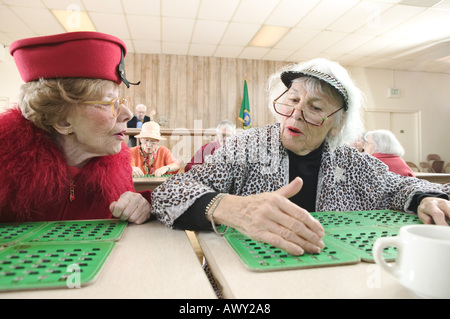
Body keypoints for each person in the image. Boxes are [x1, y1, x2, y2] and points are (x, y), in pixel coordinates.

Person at [152, 58, 450, 256]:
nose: (296, 113)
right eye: (293, 100)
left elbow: (399, 187)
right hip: (248, 274)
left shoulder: (353, 162)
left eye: (316, 108)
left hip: (333, 272)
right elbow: (168, 193)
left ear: (338, 124)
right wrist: (230, 208)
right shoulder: (245, 146)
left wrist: (425, 198)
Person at [0, 31, 151, 224]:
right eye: (107, 103)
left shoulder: (117, 167)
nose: (127, 114)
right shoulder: (6, 174)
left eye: (120, 101)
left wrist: (141, 204)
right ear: (63, 121)